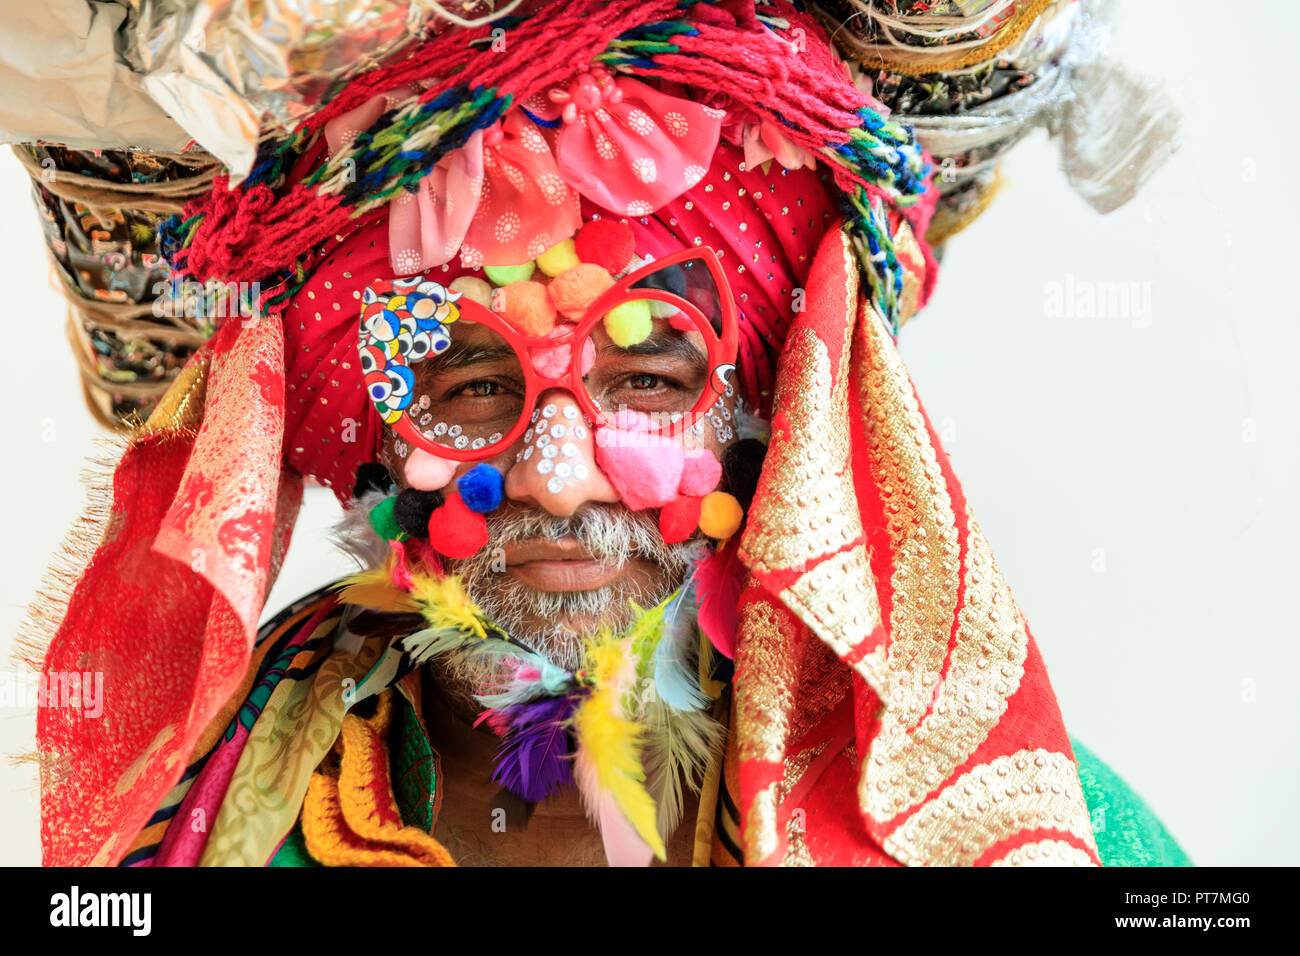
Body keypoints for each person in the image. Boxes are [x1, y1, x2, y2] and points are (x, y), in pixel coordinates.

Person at [27, 0, 1188, 867]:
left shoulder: (1013, 826)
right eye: (471, 385)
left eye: (644, 376)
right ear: (370, 443)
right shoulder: (200, 812)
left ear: (760, 425)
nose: (558, 476)